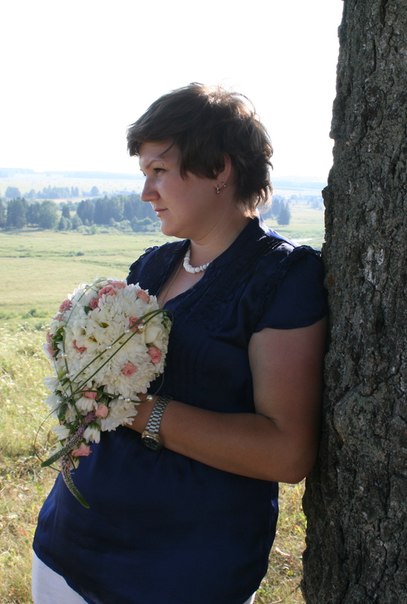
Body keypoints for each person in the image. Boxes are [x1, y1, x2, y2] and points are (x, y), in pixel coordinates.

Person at [32, 83, 327, 604]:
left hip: (177, 573)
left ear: (219, 169)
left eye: (159, 170)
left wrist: (134, 410)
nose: (146, 192)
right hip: (68, 546)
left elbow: (286, 452)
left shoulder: (283, 277)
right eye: (143, 173)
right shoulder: (152, 265)